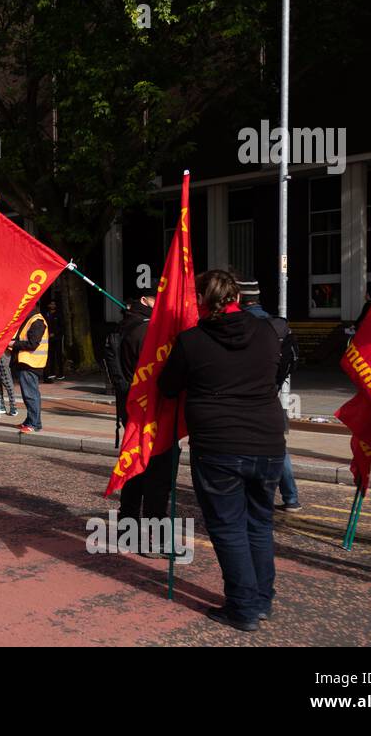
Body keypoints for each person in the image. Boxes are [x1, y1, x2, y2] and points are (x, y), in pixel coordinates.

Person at [158, 270, 286, 632]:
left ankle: (243, 608)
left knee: (229, 528)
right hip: (267, 441)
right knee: (260, 525)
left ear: (201, 298)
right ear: (237, 297)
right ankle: (262, 601)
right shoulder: (267, 331)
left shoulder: (191, 341)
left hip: (219, 445)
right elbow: (274, 375)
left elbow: (168, 387)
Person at [115, 291, 179, 545]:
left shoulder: (125, 328)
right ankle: (159, 537)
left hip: (134, 409)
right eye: (157, 300)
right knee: (158, 478)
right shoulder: (146, 333)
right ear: (144, 300)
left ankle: (127, 528)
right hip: (153, 412)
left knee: (135, 469)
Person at [238, 279, 302, 511]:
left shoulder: (241, 324)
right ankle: (291, 497)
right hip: (271, 391)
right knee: (277, 446)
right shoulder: (278, 324)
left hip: (244, 393)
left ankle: (248, 497)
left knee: (241, 446)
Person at [10, 301, 49, 433]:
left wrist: (13, 344)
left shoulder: (37, 321)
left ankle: (33, 423)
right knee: (30, 394)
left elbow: (32, 344)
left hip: (31, 363)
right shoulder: (31, 319)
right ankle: (31, 421)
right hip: (27, 362)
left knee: (30, 394)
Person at [44, 298, 66, 382]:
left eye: (54, 304)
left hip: (57, 338)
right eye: (51, 304)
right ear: (48, 305)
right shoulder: (46, 314)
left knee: (59, 355)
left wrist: (55, 333)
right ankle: (52, 373)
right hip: (49, 338)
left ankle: (61, 374)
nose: (52, 306)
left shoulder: (59, 315)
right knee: (51, 356)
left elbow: (62, 327)